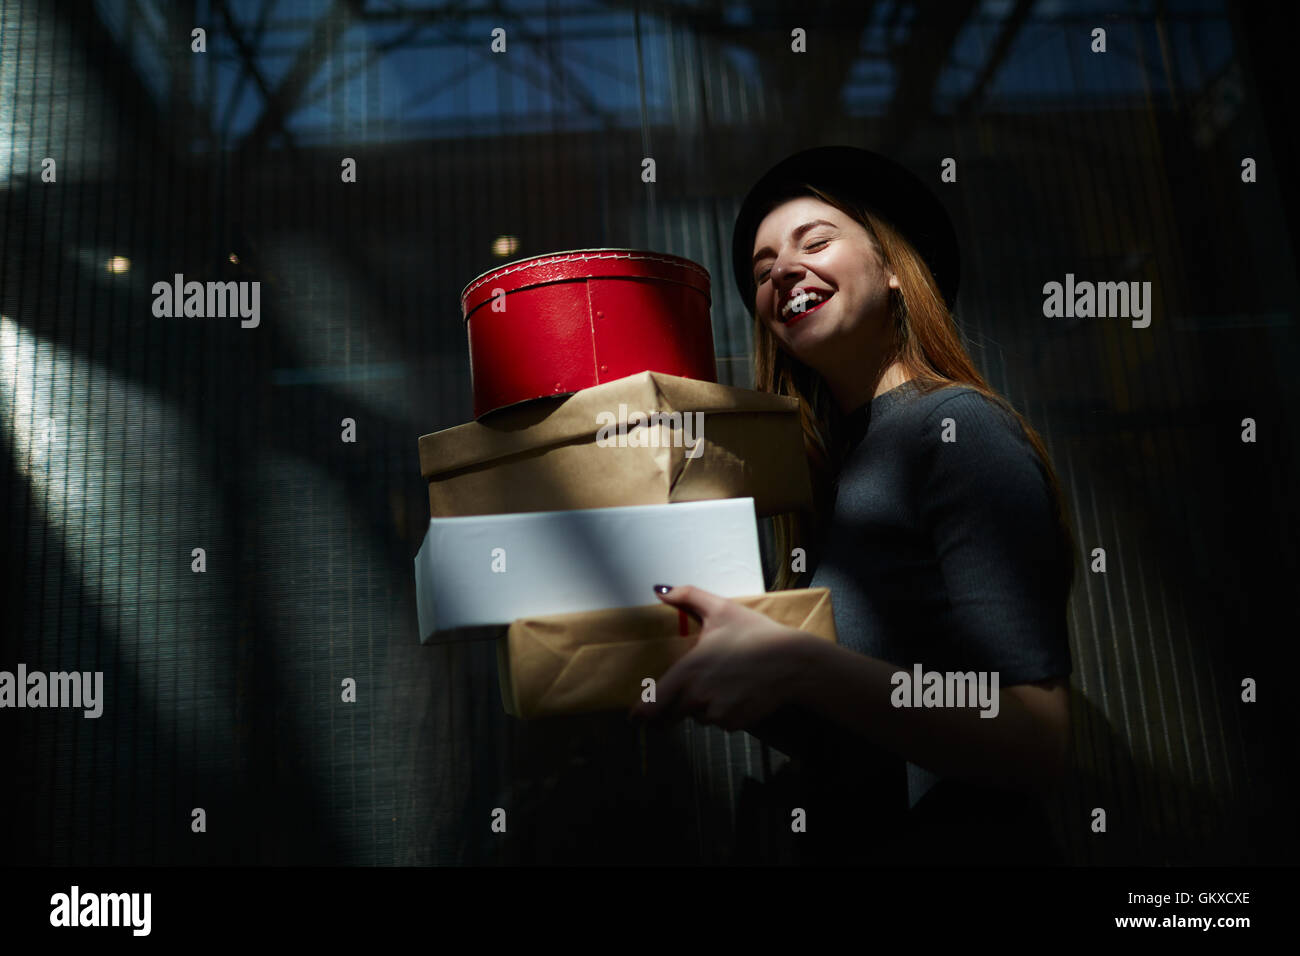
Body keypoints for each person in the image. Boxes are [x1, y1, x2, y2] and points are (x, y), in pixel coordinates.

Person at [630, 146, 1077, 865]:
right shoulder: (824, 473)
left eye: (816, 241)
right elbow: (875, 726)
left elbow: (1038, 738)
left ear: (896, 269)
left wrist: (799, 665)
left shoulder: (956, 432)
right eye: (762, 267)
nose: (781, 271)